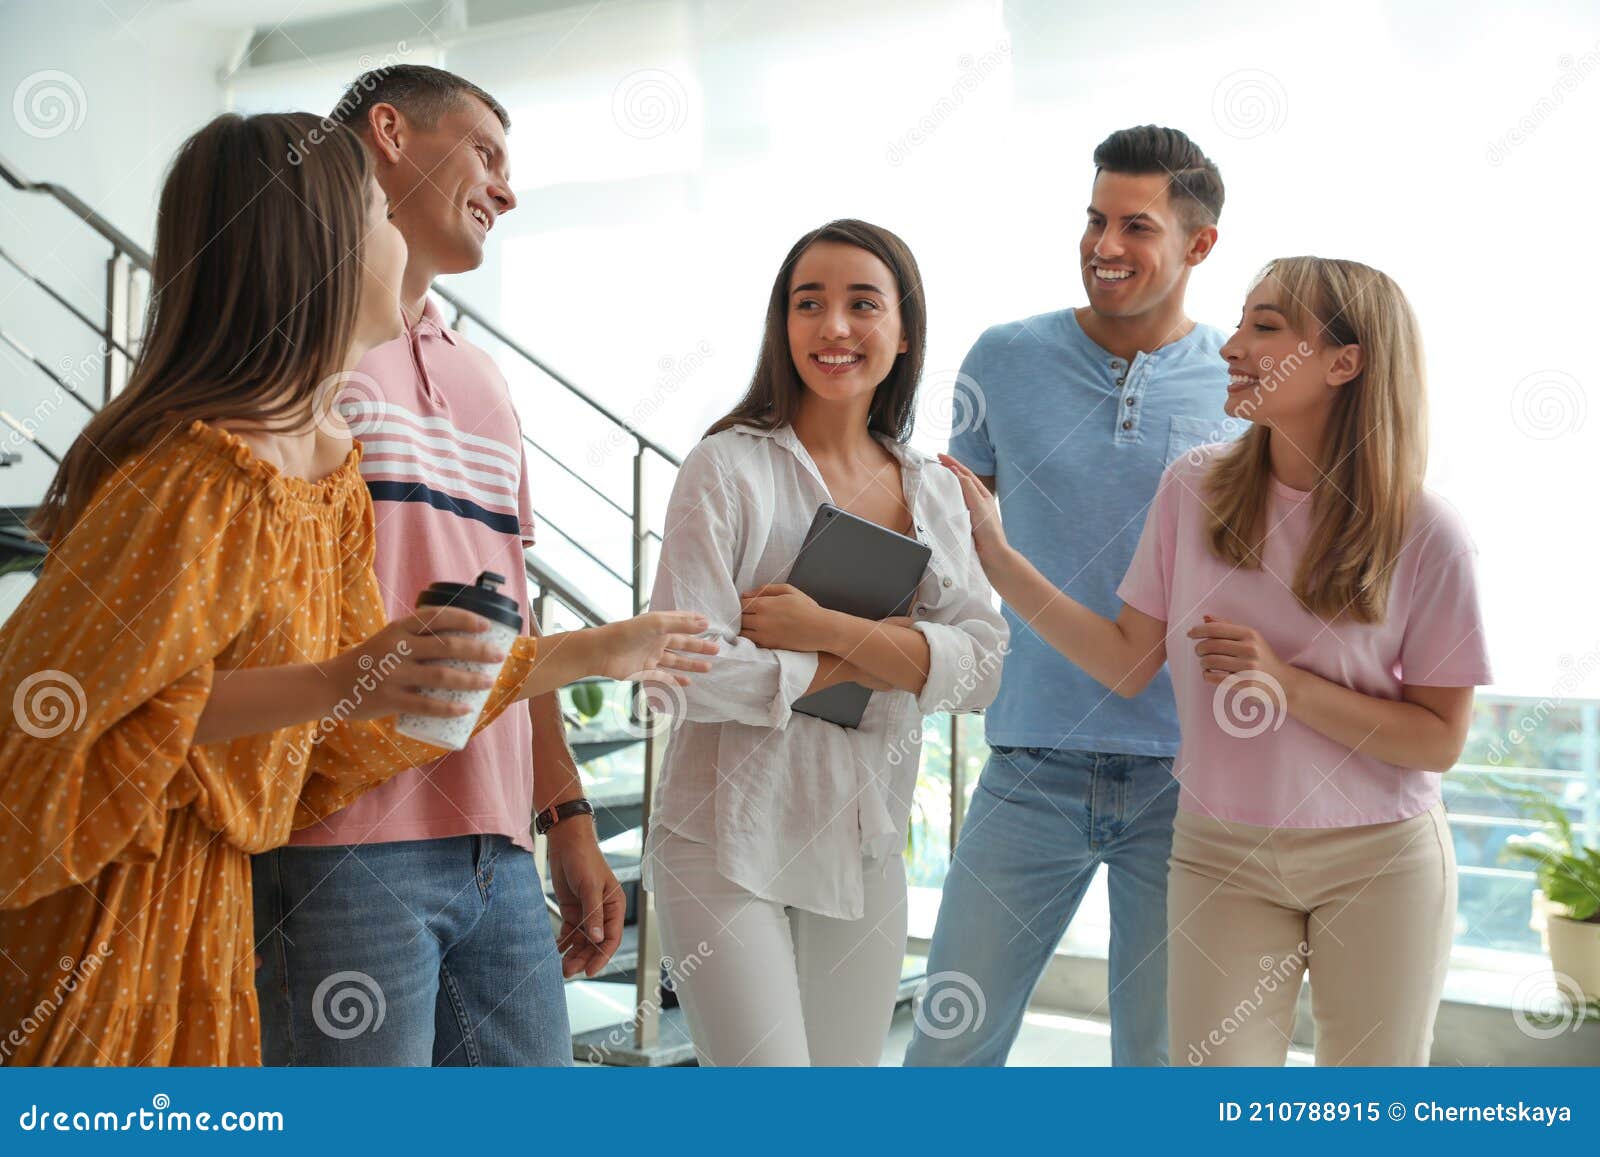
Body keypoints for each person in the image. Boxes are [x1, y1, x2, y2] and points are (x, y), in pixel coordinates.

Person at [0, 111, 713, 1067]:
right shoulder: (186, 479)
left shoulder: (331, 478)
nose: (399, 234)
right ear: (317, 244)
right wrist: (343, 677)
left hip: (221, 916)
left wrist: (585, 658)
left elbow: (353, 728)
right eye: (379, 212)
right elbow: (50, 726)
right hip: (122, 927)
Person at [942, 255, 1491, 1066]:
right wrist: (996, 556)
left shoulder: (1427, 531)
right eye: (1240, 321)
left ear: (1345, 361)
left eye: (1265, 327)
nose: (1231, 345)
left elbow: (1440, 739)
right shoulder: (1192, 490)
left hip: (1380, 856)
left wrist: (1288, 685)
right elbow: (1127, 662)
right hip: (1220, 849)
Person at [251, 64, 626, 1069]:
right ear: (390, 134)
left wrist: (565, 815)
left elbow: (517, 614)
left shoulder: (483, 378)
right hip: (336, 840)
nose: (506, 189)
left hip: (495, 848)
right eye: (487, 154)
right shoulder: (290, 346)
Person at [642, 218, 1008, 1066]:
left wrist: (821, 631)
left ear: (904, 329)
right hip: (725, 838)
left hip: (861, 841)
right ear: (783, 325)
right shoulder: (727, 468)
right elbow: (685, 670)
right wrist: (889, 657)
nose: (833, 327)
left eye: (861, 304)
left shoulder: (932, 490)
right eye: (809, 304)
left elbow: (986, 667)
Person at [906, 126, 1233, 1067]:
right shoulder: (1003, 357)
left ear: (1198, 245)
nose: (1105, 246)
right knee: (946, 1050)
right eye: (1095, 219)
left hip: (1192, 775)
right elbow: (944, 538)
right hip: (1029, 757)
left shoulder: (1243, 378)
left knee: (1164, 1063)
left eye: (1137, 225)